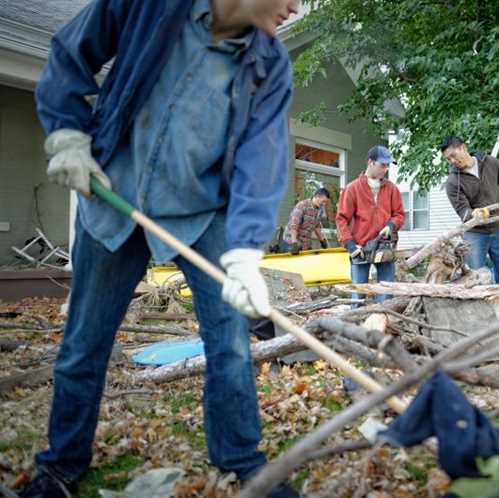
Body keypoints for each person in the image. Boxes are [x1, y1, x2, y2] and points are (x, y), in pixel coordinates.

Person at [21, 1, 300, 497]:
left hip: (203, 213)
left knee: (231, 344)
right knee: (84, 344)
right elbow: (69, 52)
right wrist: (67, 132)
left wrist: (244, 251)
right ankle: (61, 465)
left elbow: (262, 159)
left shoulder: (271, 65)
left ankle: (241, 460)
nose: (296, 6)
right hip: (113, 194)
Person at [440, 136, 499, 319]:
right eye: (448, 159)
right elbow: (462, 210)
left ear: (463, 147)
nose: (452, 161)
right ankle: (480, 321)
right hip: (475, 235)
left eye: (453, 155)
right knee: (474, 280)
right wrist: (474, 214)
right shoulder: (453, 182)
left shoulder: (491, 163)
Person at [336, 145, 404, 306]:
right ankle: (353, 327)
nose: (386, 169)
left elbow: (399, 214)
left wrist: (391, 225)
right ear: (370, 162)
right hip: (360, 247)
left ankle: (383, 325)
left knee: (386, 296)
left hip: (385, 246)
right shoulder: (352, 189)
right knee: (358, 295)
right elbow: (341, 219)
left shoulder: (392, 189)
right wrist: (350, 245)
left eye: (388, 166)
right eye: (383, 165)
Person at [283, 187, 331, 254]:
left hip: (305, 244)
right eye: (323, 201)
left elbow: (316, 226)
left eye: (326, 202)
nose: (324, 204)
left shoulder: (320, 210)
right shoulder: (302, 205)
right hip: (291, 242)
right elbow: (294, 225)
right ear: (317, 196)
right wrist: (294, 243)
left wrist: (322, 241)